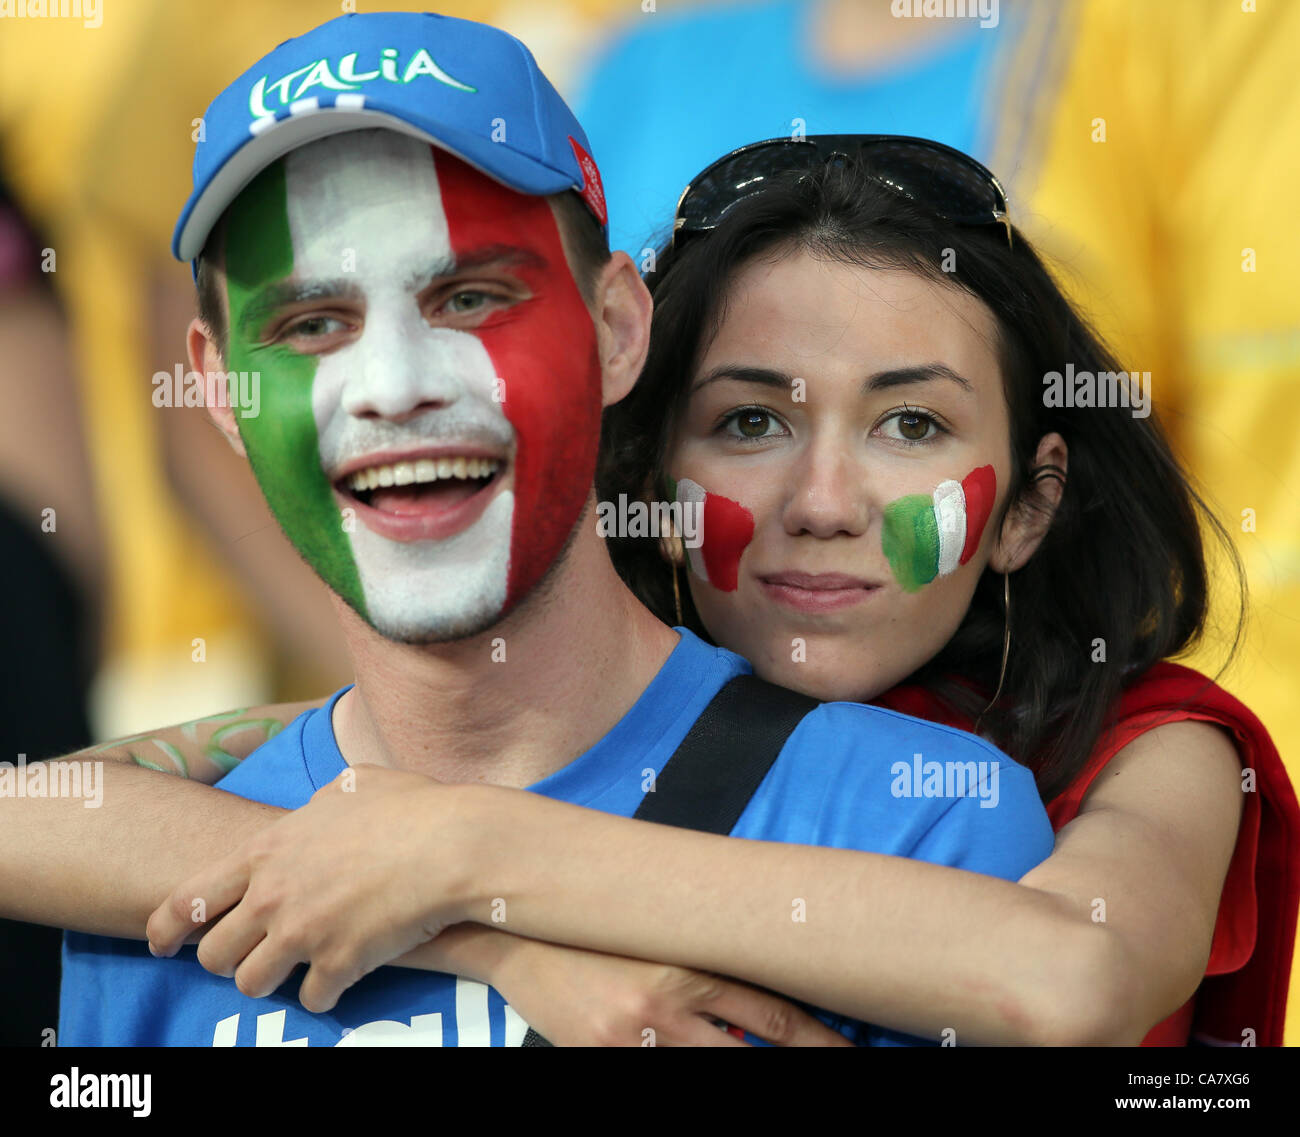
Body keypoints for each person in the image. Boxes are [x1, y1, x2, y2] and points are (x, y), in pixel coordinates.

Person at [35, 118, 1297, 1046]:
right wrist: (499, 941)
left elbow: (1065, 982)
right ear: (643, 460)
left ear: (1029, 502)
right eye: (749, 425)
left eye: (909, 428)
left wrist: (468, 845)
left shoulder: (1156, 746)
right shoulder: (592, 718)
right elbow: (37, 818)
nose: (820, 503)